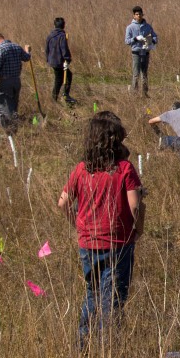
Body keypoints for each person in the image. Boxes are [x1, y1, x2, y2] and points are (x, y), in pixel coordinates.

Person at [59, 113, 143, 345]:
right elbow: (135, 206)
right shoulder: (125, 169)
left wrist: (78, 224)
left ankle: (83, 342)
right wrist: (138, 229)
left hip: (88, 242)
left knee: (92, 292)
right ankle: (109, 345)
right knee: (113, 299)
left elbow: (63, 202)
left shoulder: (81, 170)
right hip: (118, 243)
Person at [0, 32, 32, 132]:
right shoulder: (16, 47)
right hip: (16, 81)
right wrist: (28, 51)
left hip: (4, 82)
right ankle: (14, 129)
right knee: (13, 106)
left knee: (3, 108)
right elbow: (27, 58)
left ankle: (9, 133)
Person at [124, 6, 157, 96]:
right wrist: (135, 38)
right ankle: (134, 93)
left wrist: (151, 41)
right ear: (134, 16)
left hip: (145, 52)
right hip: (136, 52)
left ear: (143, 14)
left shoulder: (147, 26)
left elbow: (155, 36)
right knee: (136, 74)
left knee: (144, 74)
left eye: (140, 14)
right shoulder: (130, 27)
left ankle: (145, 94)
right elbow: (127, 41)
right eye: (137, 14)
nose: (139, 16)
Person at [45, 18, 75, 105]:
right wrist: (67, 59)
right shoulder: (62, 36)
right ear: (63, 26)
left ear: (54, 25)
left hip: (53, 61)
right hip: (60, 62)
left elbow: (46, 49)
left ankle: (61, 96)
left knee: (63, 77)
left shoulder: (50, 35)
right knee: (61, 79)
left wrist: (48, 59)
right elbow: (64, 49)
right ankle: (62, 96)